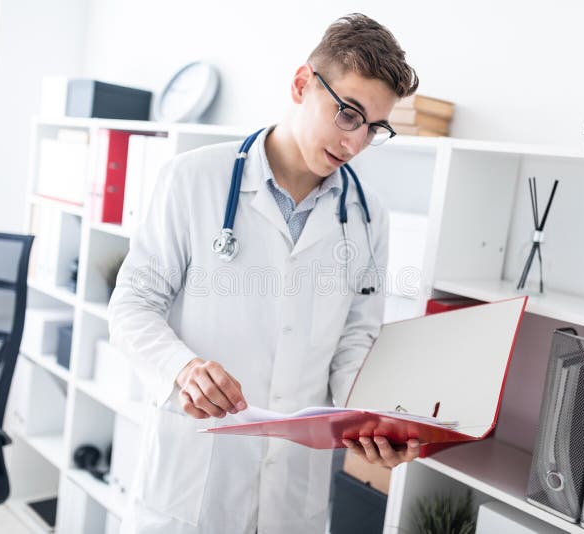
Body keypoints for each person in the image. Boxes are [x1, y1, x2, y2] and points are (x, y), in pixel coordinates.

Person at [108, 13, 420, 534]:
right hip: (195, 477)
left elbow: (356, 340)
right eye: (348, 114)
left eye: (374, 127)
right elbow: (131, 306)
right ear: (302, 84)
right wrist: (182, 369)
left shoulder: (369, 217)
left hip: (294, 493)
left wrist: (368, 420)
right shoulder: (193, 179)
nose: (356, 143)